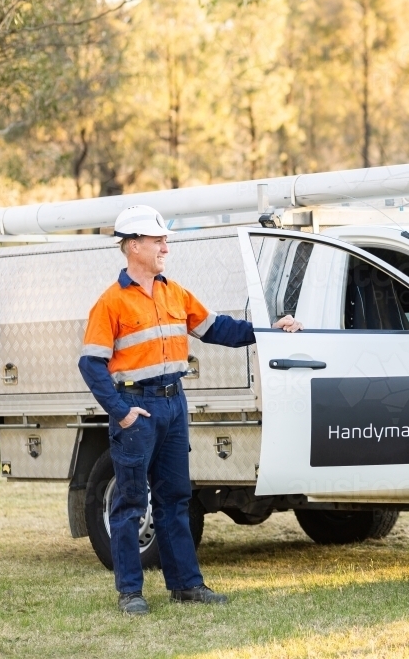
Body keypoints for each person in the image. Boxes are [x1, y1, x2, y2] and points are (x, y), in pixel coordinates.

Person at [78, 205, 301, 615]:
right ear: (132, 247)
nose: (166, 245)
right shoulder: (111, 303)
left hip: (174, 404)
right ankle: (131, 592)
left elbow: (219, 329)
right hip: (137, 409)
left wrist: (271, 330)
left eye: (165, 238)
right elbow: (90, 364)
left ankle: (186, 586)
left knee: (176, 498)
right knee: (129, 503)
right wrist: (121, 412)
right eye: (157, 239)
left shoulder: (174, 292)